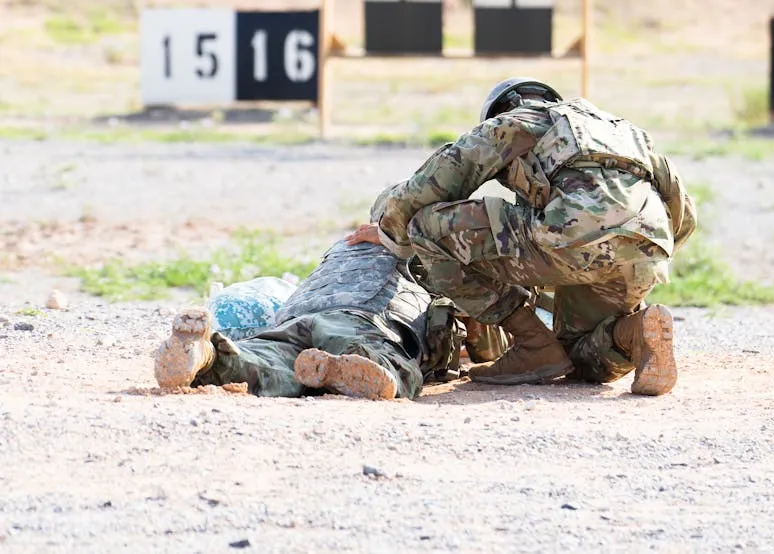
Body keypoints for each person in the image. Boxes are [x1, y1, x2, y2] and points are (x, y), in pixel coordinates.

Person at [345, 77, 697, 396]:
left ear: (503, 108)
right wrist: (629, 257)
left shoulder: (514, 123)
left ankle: (531, 343)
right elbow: (685, 214)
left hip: (570, 237)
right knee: (581, 358)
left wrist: (393, 233)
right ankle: (636, 330)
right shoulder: (627, 132)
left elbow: (433, 182)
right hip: (646, 249)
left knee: (425, 228)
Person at [152, 190, 507, 400]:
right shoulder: (434, 252)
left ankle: (209, 357)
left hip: (298, 315)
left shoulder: (347, 245)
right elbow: (486, 345)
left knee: (271, 361)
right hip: (364, 318)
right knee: (385, 361)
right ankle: (345, 369)